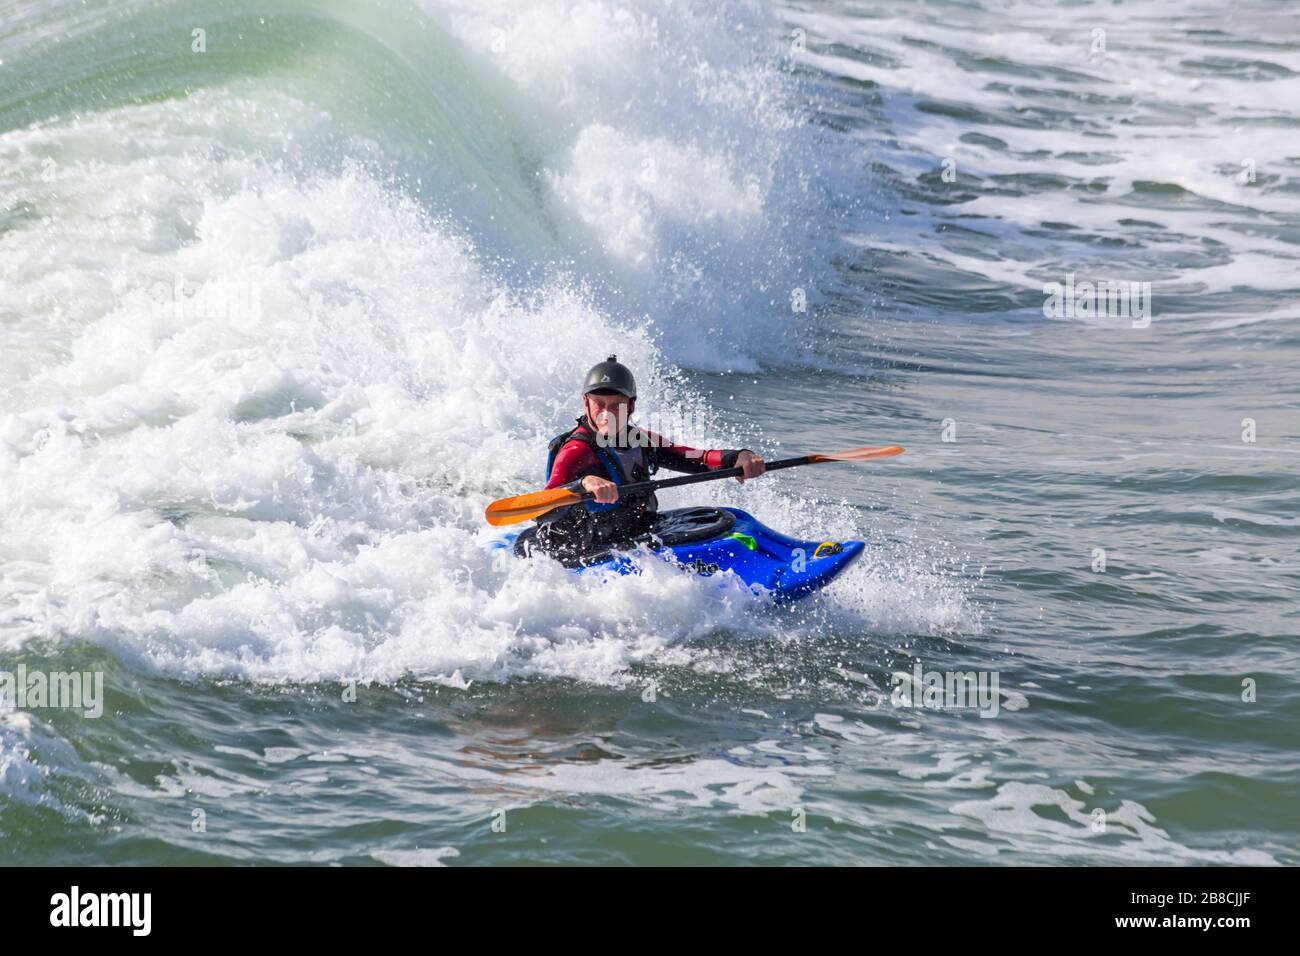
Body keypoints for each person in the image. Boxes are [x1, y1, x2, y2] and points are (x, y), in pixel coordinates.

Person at [529, 356, 765, 561]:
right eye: (599, 404)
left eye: (616, 405)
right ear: (585, 402)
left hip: (630, 534)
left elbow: (698, 459)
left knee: (721, 520)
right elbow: (542, 510)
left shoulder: (641, 440)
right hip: (582, 549)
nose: (606, 413)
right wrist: (583, 484)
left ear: (631, 405)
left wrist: (738, 457)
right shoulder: (576, 450)